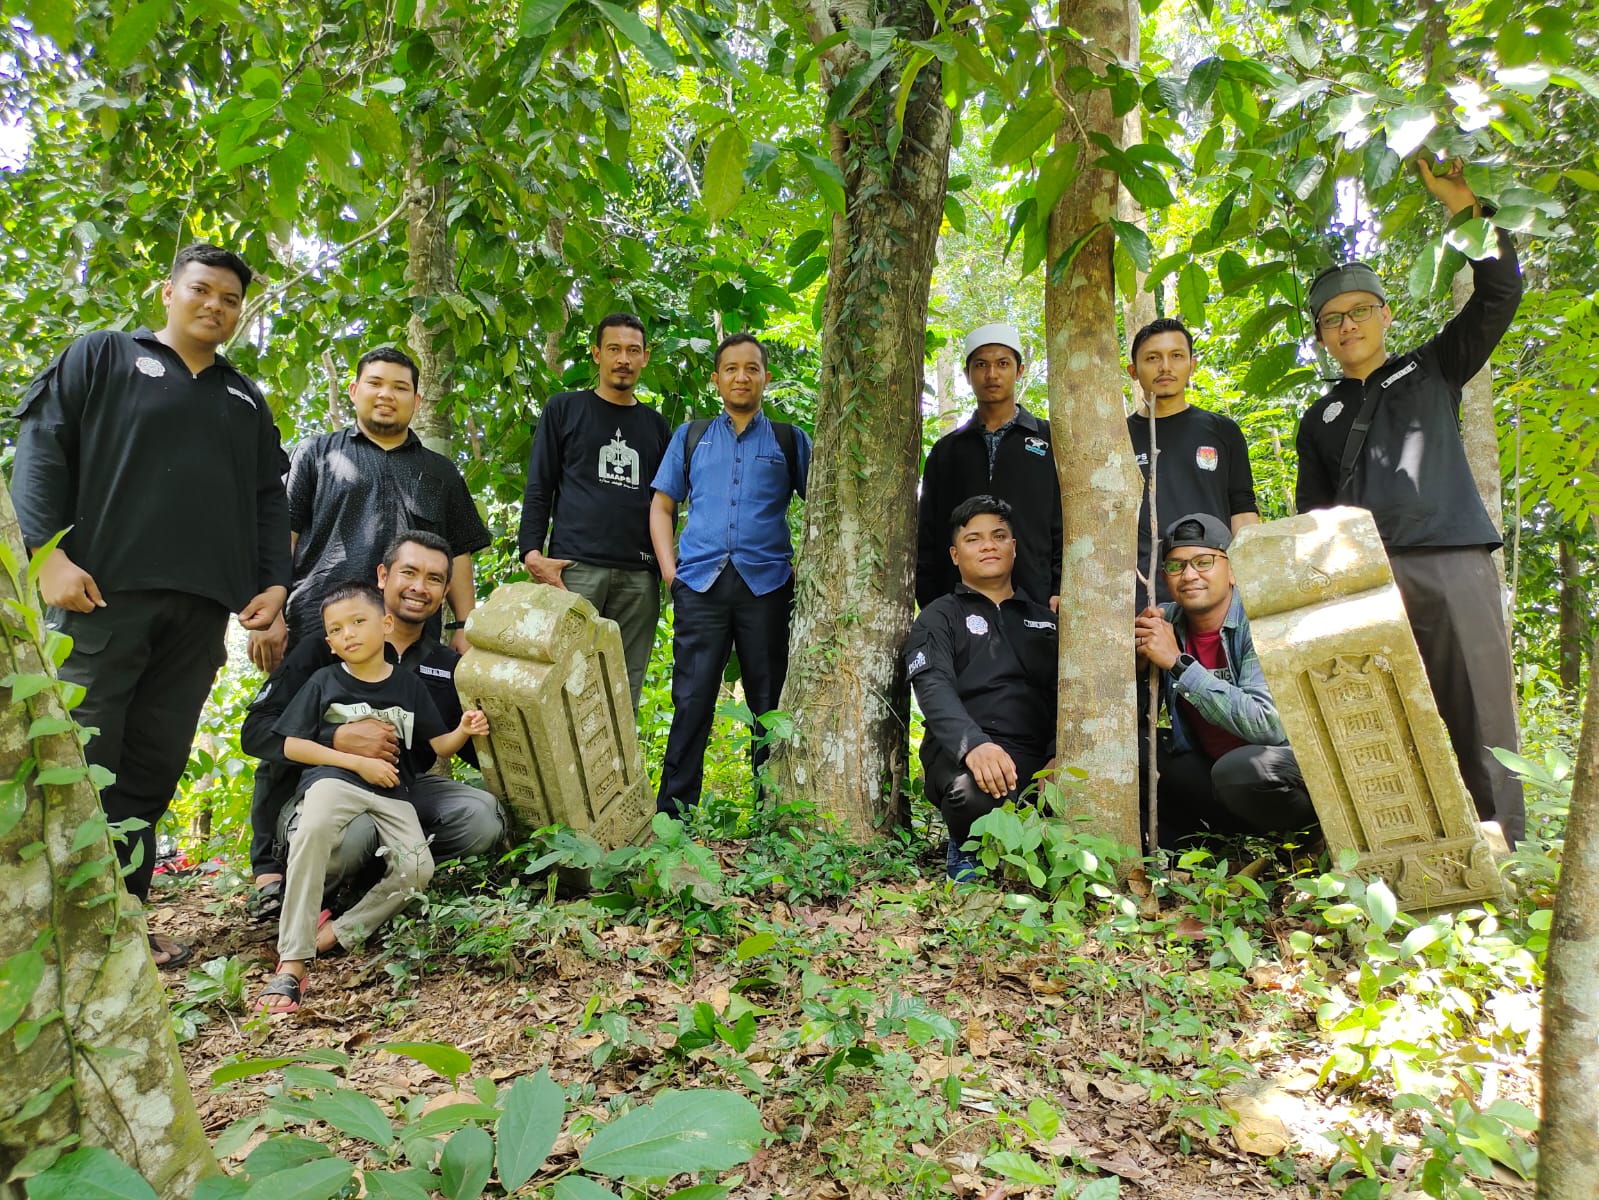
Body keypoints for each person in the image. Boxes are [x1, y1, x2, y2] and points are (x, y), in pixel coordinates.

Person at [11, 242, 290, 968]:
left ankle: (125, 919)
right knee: (80, 758)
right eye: (201, 290)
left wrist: (274, 584)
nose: (215, 306)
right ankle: (64, 931)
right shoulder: (104, 356)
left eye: (230, 299)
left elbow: (268, 499)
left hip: (199, 614)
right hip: (100, 597)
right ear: (168, 292)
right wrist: (47, 557)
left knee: (151, 767)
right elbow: (42, 446)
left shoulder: (243, 399)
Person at [1294, 156, 1524, 846]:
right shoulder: (1319, 417)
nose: (1347, 326)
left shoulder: (1432, 368)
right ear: (1320, 335)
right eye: (1331, 319)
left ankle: (1506, 857)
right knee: (1385, 726)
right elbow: (1314, 520)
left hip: (1450, 562)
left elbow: (1498, 294)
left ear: (1384, 314)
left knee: (1480, 717)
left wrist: (1465, 208)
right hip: (1366, 583)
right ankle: (1415, 862)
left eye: (1359, 311)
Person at [241, 532, 504, 922]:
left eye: (434, 579)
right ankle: (310, 883)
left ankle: (382, 878)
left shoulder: (445, 665)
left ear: (445, 591)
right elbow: (257, 732)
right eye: (409, 572)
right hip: (325, 794)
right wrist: (336, 737)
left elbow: (470, 748)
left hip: (398, 794)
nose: (420, 587)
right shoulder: (324, 650)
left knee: (482, 816)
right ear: (383, 576)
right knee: (353, 834)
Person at [253, 582, 489, 1014]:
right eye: (336, 630)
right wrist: (356, 762)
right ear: (329, 643)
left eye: (358, 622)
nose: (348, 634)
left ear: (385, 625)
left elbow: (438, 745)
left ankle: (338, 932)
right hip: (333, 781)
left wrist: (464, 729)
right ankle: (292, 963)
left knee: (417, 867)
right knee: (313, 831)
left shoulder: (408, 686)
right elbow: (292, 744)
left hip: (391, 791)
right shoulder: (324, 681)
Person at [249, 345, 490, 672]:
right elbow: (280, 537)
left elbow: (458, 552)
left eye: (400, 387)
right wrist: (270, 615)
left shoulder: (441, 472)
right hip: (317, 632)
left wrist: (464, 626)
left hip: (410, 644)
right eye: (375, 383)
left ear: (417, 401)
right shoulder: (315, 454)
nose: (386, 394)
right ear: (354, 391)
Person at [649, 333, 810, 814]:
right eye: (732, 369)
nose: (742, 377)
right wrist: (671, 573)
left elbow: (822, 506)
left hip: (768, 587)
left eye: (752, 369)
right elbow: (662, 506)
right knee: (692, 700)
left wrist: (803, 567)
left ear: (766, 377)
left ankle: (769, 813)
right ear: (716, 379)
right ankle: (674, 815)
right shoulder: (691, 436)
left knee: (768, 703)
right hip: (700, 586)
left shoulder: (788, 439)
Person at [1134, 514, 1314, 850]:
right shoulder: (1166, 622)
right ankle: (1199, 855)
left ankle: (1308, 839)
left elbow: (1267, 725)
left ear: (1233, 571)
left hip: (1284, 772)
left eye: (1204, 562)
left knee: (1241, 771)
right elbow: (1132, 716)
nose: (1189, 575)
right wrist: (1140, 666)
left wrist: (1179, 663)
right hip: (1216, 774)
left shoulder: (1261, 621)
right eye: (1176, 566)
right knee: (1136, 750)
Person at [519, 314, 671, 710]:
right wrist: (531, 552)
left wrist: (665, 568)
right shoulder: (565, 409)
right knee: (562, 685)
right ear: (596, 353)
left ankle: (616, 756)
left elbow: (666, 505)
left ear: (645, 357)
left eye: (633, 351)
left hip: (638, 577)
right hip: (574, 569)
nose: (623, 359)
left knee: (622, 692)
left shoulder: (656, 427)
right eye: (614, 349)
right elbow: (540, 484)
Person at [905, 496, 1058, 882]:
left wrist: (1059, 755)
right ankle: (968, 853)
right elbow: (932, 686)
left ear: (1014, 547)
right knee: (971, 795)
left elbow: (1068, 696)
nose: (988, 545)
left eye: (999, 536)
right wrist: (973, 746)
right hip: (963, 755)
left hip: (1037, 757)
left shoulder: (1046, 620)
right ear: (955, 555)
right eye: (974, 539)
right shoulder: (939, 617)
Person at [916, 322, 1061, 611]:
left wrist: (1060, 589)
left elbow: (1067, 522)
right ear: (967, 375)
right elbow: (928, 534)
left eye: (1003, 364)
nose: (992, 374)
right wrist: (933, 602)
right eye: (981, 365)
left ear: (1019, 371)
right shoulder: (947, 451)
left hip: (1037, 603)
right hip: (958, 607)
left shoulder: (1051, 440)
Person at [1126, 318, 1259, 603]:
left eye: (1176, 356)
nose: (1165, 367)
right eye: (1152, 358)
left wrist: (1248, 576)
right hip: (1141, 594)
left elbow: (1243, 509)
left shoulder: (1222, 430)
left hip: (1214, 589)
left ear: (1192, 365)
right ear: (1133, 371)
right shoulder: (1118, 438)